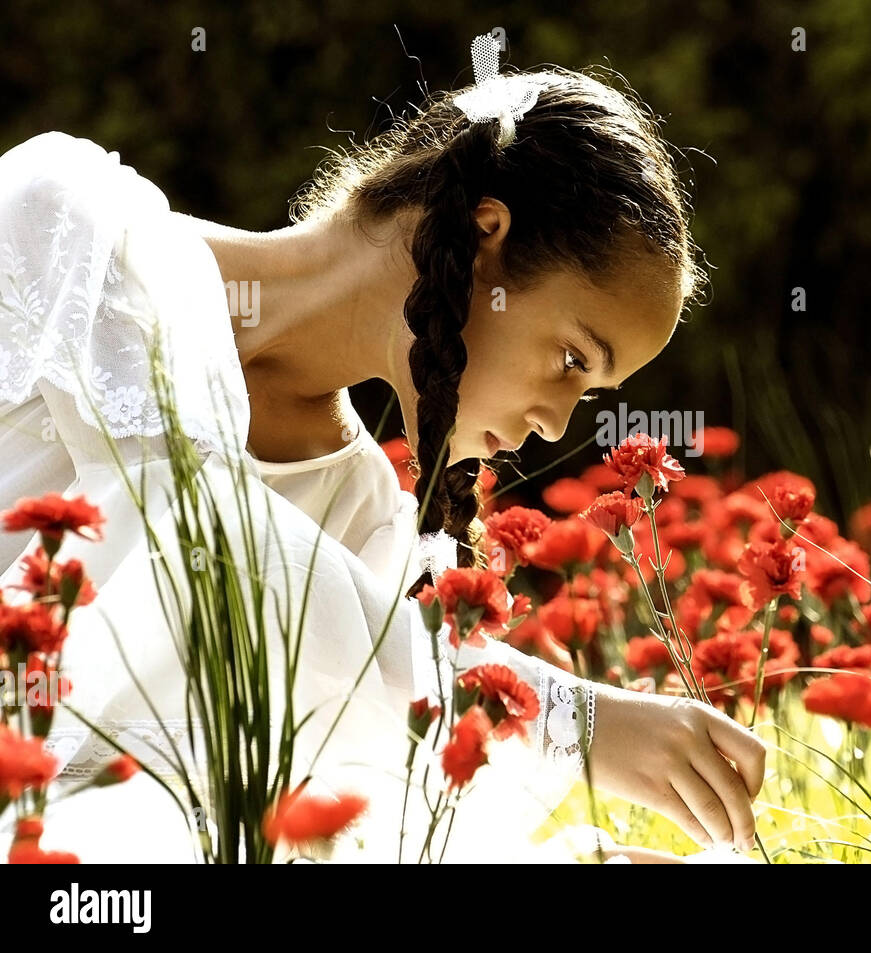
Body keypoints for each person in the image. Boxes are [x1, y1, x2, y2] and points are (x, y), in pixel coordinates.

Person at [0, 40, 765, 863]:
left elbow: (368, 820)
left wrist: (584, 858)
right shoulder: (69, 226)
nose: (556, 426)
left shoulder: (365, 519)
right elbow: (201, 537)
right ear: (485, 238)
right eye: (574, 360)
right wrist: (569, 718)